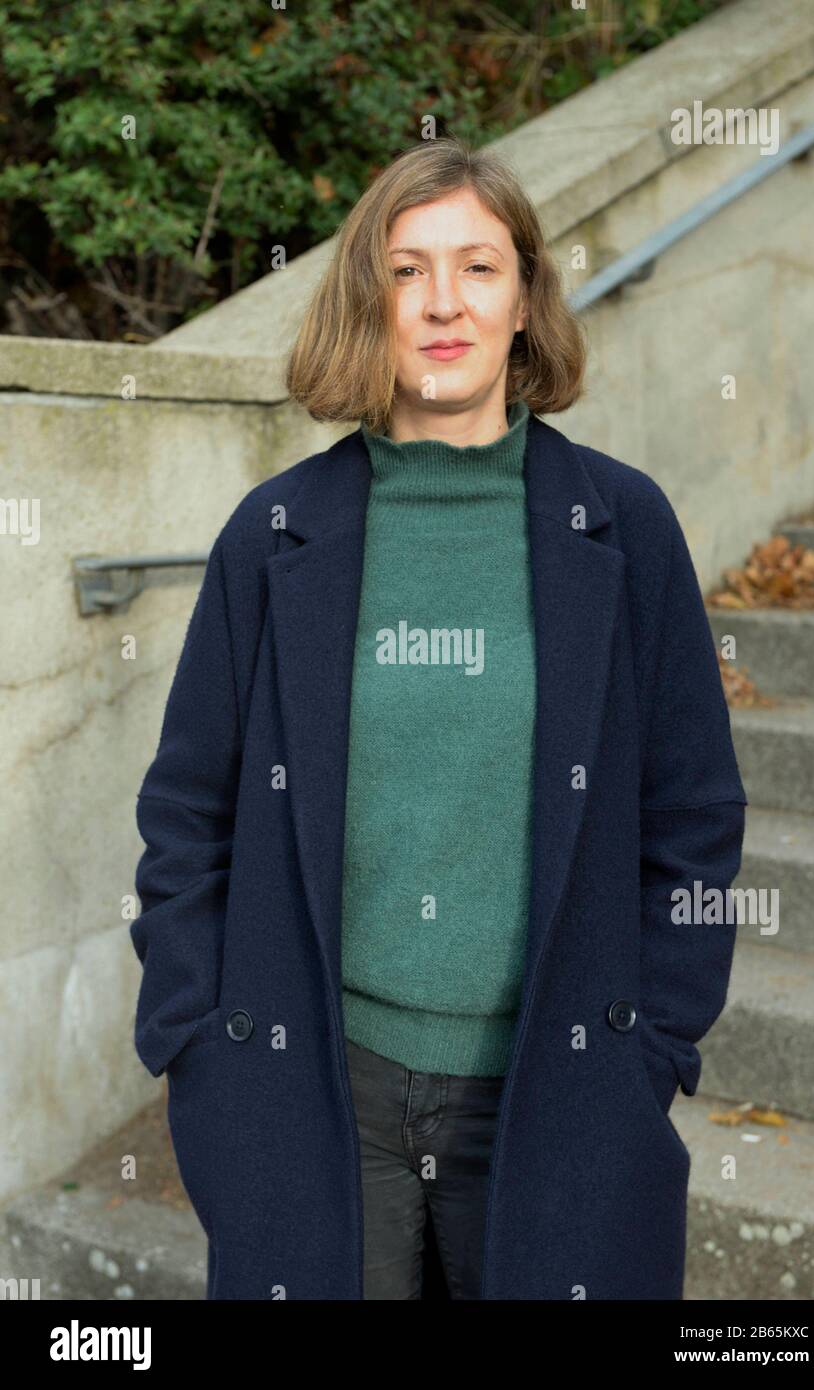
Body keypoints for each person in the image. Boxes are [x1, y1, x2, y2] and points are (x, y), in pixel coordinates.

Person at [132, 136, 746, 1301]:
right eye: (407, 272)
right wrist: (193, 1042)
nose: (443, 304)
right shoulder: (273, 535)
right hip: (319, 1091)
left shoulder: (621, 526)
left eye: (477, 267)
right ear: (369, 306)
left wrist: (650, 1046)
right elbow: (187, 810)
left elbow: (694, 813)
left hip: (556, 1084)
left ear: (525, 300)